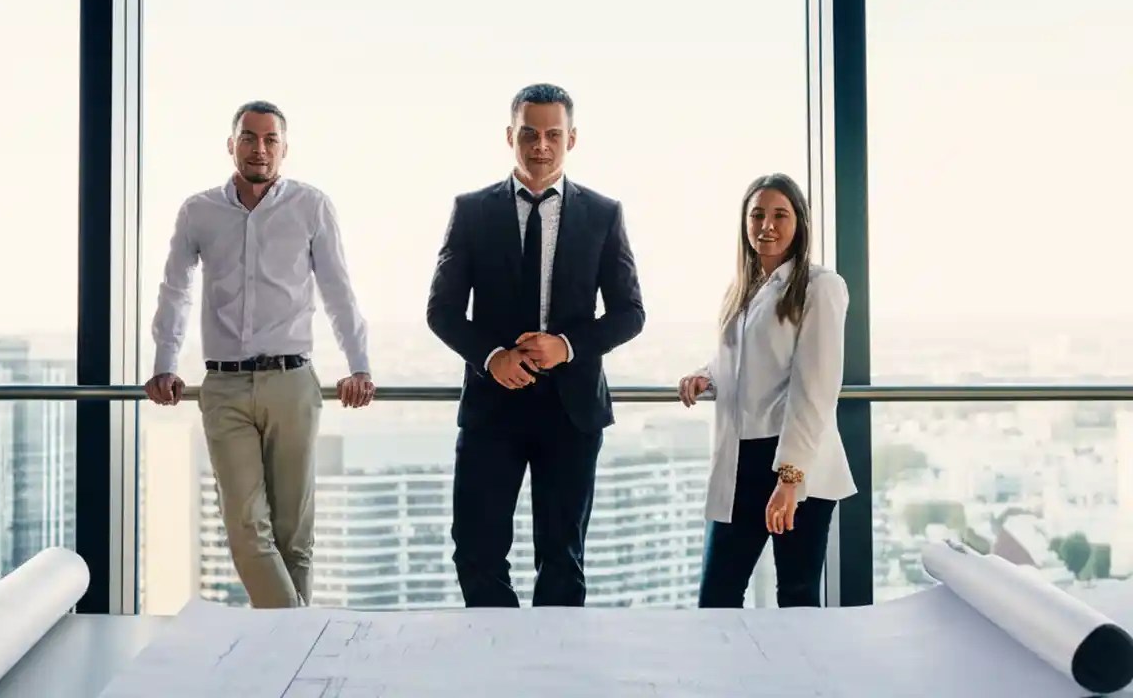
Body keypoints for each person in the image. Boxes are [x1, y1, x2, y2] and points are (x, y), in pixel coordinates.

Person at [144, 100, 375, 609]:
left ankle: (282, 666)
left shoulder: (312, 206)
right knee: (247, 528)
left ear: (284, 149)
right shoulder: (198, 211)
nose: (260, 148)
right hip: (223, 387)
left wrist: (359, 365)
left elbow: (339, 291)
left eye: (271, 140)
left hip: (292, 382)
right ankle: (300, 638)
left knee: (294, 533)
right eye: (249, 137)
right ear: (232, 145)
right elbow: (175, 290)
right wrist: (164, 364)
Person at [426, 83, 645, 607]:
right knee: (476, 551)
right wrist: (492, 357)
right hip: (492, 408)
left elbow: (630, 313)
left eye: (553, 134)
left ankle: (553, 676)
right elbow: (441, 311)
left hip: (570, 413)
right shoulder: (472, 210)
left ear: (572, 138)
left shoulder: (603, 214)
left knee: (562, 557)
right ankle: (498, 666)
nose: (540, 145)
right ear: (510, 136)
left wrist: (566, 346)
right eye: (529, 133)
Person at [677, 173, 856, 608]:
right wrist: (707, 375)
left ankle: (800, 679)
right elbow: (744, 363)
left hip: (794, 462)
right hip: (741, 459)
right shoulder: (742, 291)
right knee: (717, 599)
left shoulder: (820, 287)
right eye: (757, 215)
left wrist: (790, 478)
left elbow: (815, 387)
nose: (766, 226)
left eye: (780, 215)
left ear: (800, 224)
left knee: (795, 598)